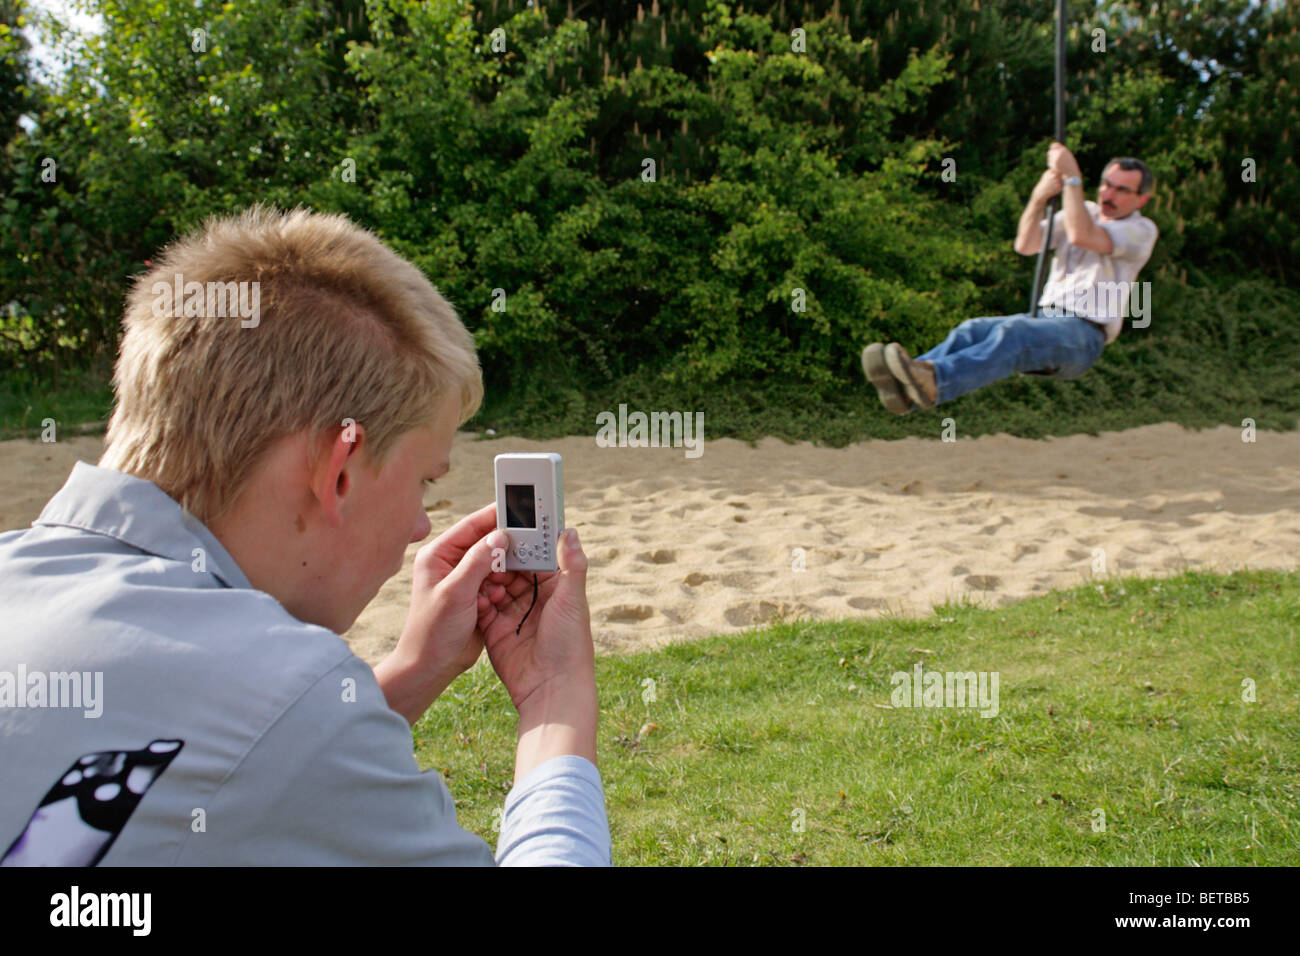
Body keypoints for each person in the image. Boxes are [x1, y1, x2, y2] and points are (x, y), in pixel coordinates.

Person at [0, 205, 610, 866]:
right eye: (424, 484)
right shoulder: (281, 691)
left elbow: (222, 767)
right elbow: (258, 735)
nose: (419, 526)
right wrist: (557, 705)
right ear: (340, 471)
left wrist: (412, 671)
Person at [862, 143, 1158, 413]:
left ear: (1141, 199)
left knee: (1015, 332)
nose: (1108, 194)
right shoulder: (1083, 210)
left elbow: (1082, 236)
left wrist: (1072, 178)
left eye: (1121, 190)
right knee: (972, 330)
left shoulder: (1141, 231)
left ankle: (935, 380)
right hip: (1045, 318)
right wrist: (1038, 198)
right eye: (1106, 184)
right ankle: (907, 386)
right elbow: (1027, 244)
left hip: (1083, 335)